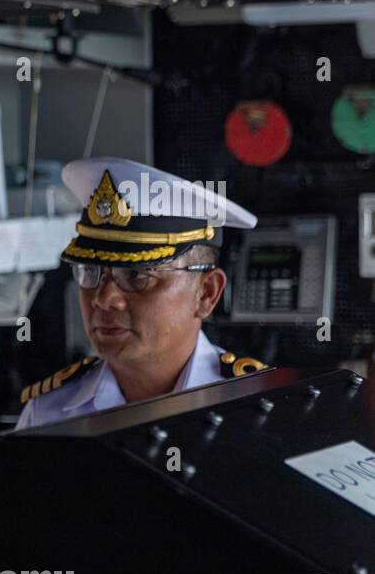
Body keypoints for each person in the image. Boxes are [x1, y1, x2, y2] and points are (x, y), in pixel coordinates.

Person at [17, 157, 268, 430]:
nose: (103, 298)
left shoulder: (253, 411)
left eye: (137, 275)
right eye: (90, 272)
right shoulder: (48, 414)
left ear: (206, 293)